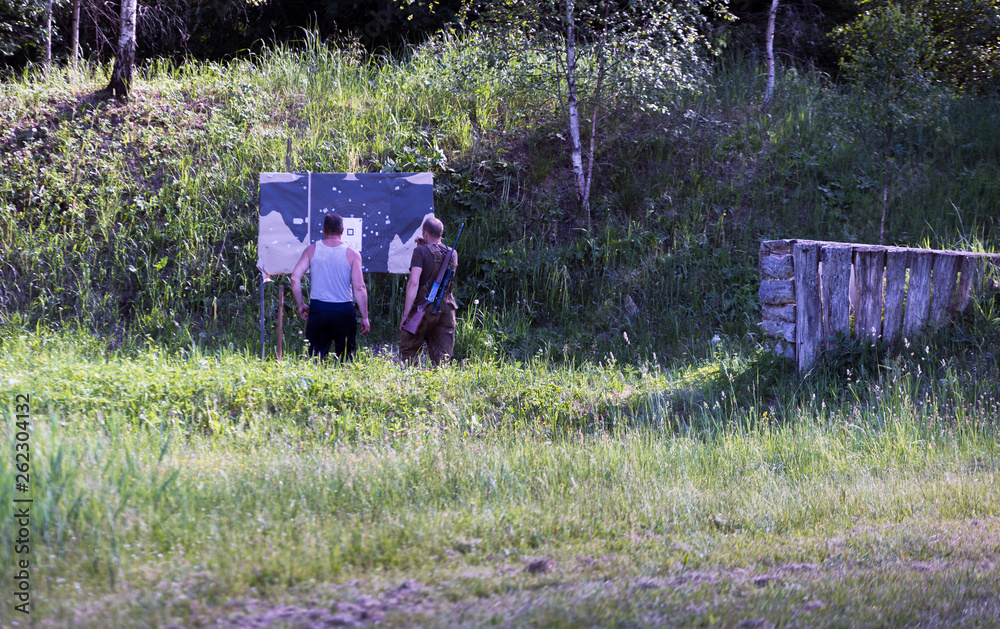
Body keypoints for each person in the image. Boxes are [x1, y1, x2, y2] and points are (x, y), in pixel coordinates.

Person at [290, 214, 370, 360]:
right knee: (346, 358)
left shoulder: (311, 250)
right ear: (343, 230)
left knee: (315, 358)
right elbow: (359, 287)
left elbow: (295, 278)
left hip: (318, 309)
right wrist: (364, 317)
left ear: (323, 230)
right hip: (343, 310)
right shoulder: (352, 253)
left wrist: (300, 304)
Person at [399, 217, 458, 366]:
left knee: (408, 355)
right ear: (441, 233)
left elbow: (413, 283)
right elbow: (439, 262)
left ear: (425, 233)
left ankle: (409, 386)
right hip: (446, 310)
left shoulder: (420, 252)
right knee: (443, 360)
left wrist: (406, 315)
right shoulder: (453, 253)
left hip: (424, 308)